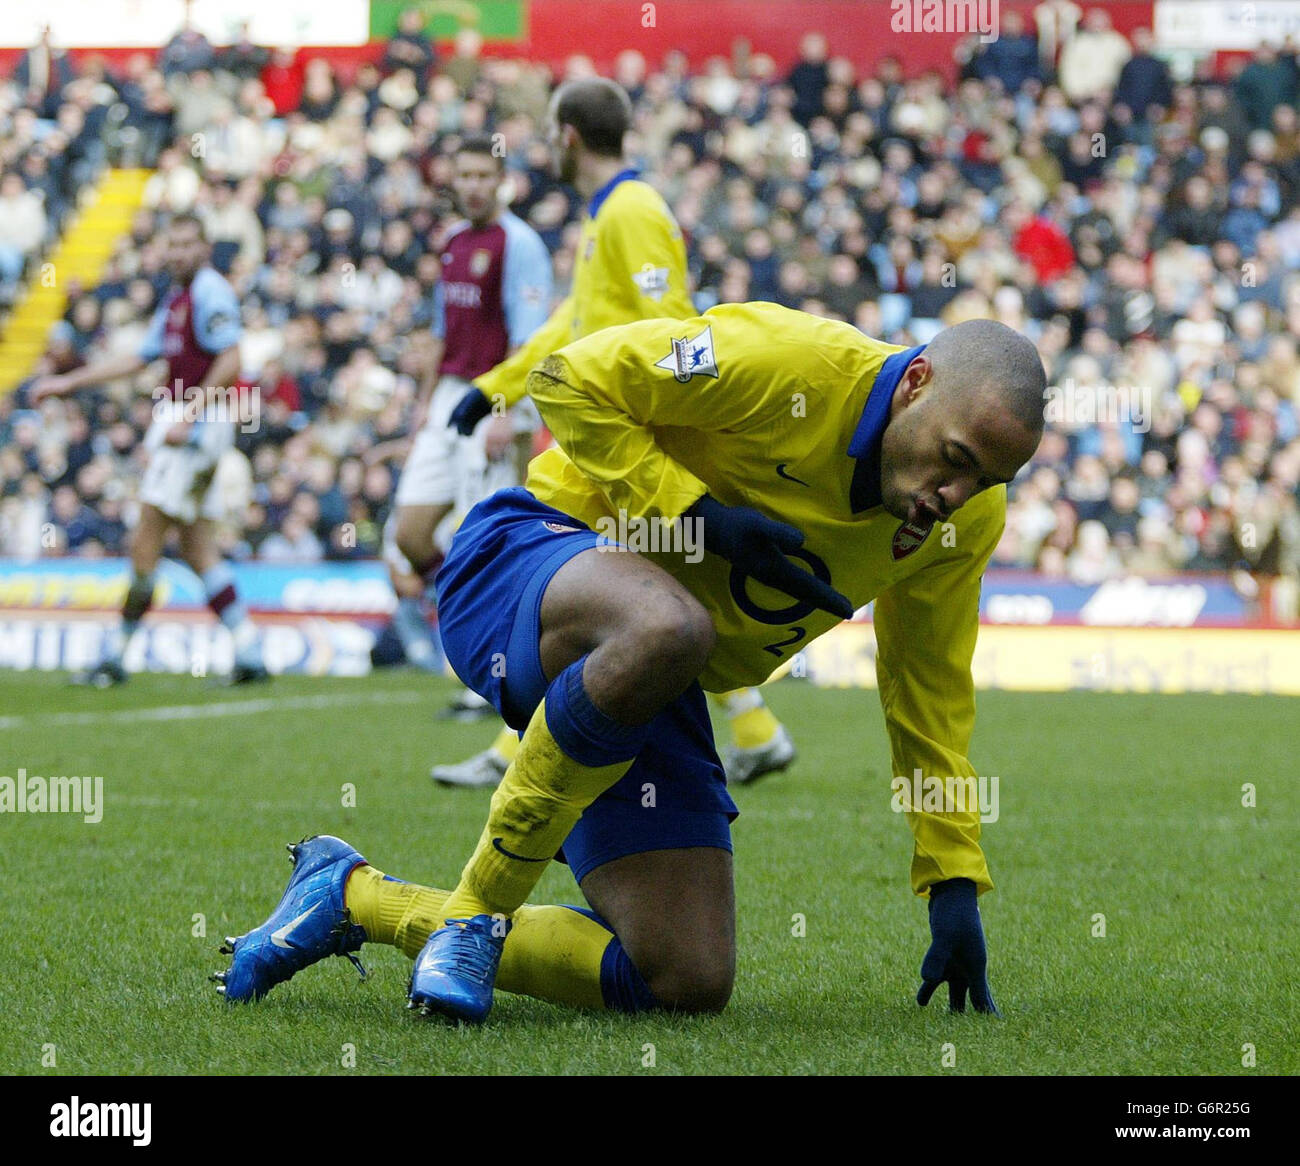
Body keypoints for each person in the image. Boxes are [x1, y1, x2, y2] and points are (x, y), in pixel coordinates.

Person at [214, 302, 1046, 1023]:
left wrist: (952, 882)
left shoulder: (960, 526)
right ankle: (475, 911)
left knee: (683, 978)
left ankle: (351, 897)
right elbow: (567, 376)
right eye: (958, 458)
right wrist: (694, 515)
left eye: (987, 481)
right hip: (527, 557)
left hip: (651, 675)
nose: (957, 493)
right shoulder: (789, 361)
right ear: (915, 383)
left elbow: (926, 689)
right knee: (671, 624)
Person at [436, 76, 799, 789]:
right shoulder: (609, 213)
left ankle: (515, 753)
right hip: (601, 437)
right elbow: (570, 327)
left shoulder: (633, 210)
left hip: (622, 442)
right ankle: (757, 730)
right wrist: (494, 390)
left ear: (568, 133)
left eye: (548, 129)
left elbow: (677, 327)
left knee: (550, 570)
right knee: (651, 583)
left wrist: (669, 438)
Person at [31, 214, 267, 686]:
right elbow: (138, 356)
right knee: (199, 547)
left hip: (197, 425)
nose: (178, 253)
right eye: (172, 245)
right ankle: (249, 653)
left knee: (145, 541)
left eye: (187, 244)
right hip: (191, 422)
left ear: (204, 247)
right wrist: (70, 381)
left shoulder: (209, 291)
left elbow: (232, 357)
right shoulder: (177, 297)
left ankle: (116, 657)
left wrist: (191, 411)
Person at [381, 134, 553, 737]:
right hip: (451, 397)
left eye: (485, 175)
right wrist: (424, 404)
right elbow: (439, 332)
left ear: (501, 179)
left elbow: (531, 337)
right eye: (466, 175)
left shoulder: (520, 244)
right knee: (410, 534)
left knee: (480, 538)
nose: (475, 185)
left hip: (494, 396)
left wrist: (507, 410)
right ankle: (480, 639)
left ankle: (488, 675)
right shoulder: (453, 242)